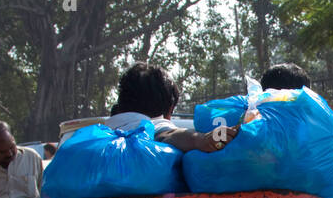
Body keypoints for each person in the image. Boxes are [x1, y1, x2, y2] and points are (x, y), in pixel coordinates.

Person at [97, 63, 233, 152]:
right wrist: (200, 139)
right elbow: (167, 135)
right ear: (169, 111)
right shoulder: (151, 127)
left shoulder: (101, 134)